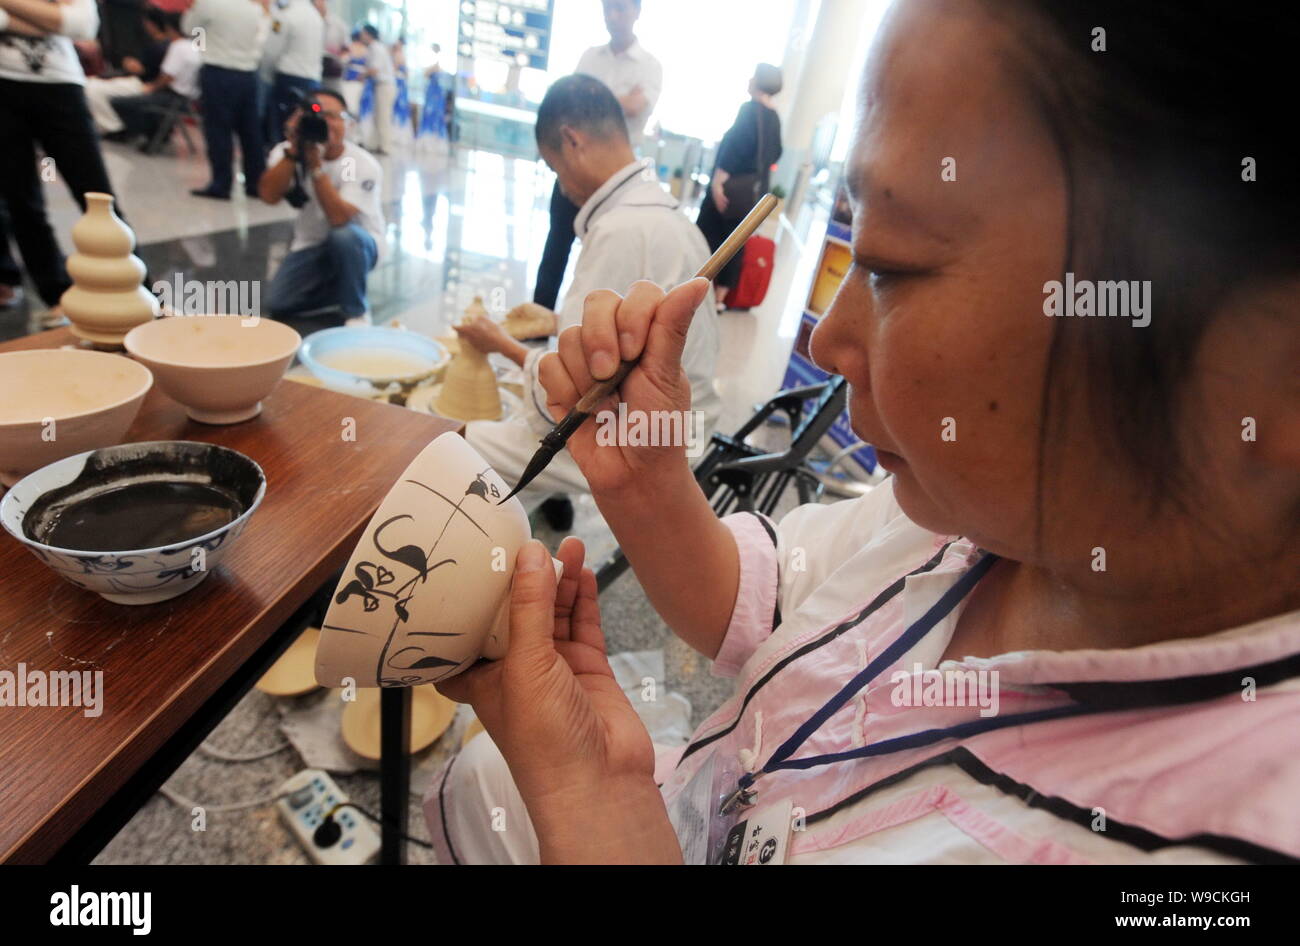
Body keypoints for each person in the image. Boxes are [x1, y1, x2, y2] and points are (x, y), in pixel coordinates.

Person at [424, 0, 1300, 865]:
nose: (827, 339)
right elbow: (759, 597)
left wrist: (596, 810)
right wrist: (647, 481)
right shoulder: (969, 516)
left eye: (892, 265)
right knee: (478, 783)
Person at [454, 74, 720, 521]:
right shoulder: (665, 215)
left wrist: (500, 344)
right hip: (686, 422)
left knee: (455, 441)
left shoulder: (621, 230)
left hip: (658, 433)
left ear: (571, 140)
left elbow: (567, 400)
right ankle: (511, 525)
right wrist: (555, 324)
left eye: (555, 168)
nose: (561, 186)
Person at [0, 0, 128, 325]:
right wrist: (51, 18)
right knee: (22, 201)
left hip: (62, 87)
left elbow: (81, 26)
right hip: (3, 87)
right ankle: (56, 294)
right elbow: (63, 22)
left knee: (98, 195)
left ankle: (136, 287)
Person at [532, 0, 662, 312]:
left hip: (614, 179)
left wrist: (593, 103)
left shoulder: (649, 65)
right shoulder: (590, 56)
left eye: (620, 8)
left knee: (603, 259)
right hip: (575, 165)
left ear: (636, 11)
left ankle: (585, 332)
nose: (612, 16)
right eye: (607, 9)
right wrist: (616, 101)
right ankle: (535, 327)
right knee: (555, 248)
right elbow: (570, 106)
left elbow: (635, 107)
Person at [258, 89, 384, 325]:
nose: (323, 122)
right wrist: (295, 151)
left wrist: (316, 164)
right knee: (278, 303)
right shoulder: (287, 152)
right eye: (315, 115)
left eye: (331, 116)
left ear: (348, 123)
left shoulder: (357, 163)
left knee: (343, 237)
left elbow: (339, 218)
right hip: (311, 244)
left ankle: (356, 310)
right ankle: (343, 285)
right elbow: (268, 196)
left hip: (359, 243)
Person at [696, 63, 783, 307]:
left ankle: (694, 289)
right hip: (753, 193)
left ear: (758, 82)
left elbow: (734, 148)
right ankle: (720, 299)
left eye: (753, 76)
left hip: (730, 188)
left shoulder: (749, 110)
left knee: (706, 236)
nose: (749, 80)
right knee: (735, 243)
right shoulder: (773, 117)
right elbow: (776, 154)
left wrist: (718, 182)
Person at [184, 0, 267, 200]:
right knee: (251, 132)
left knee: (218, 131)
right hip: (248, 74)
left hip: (218, 71)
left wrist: (204, 43)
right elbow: (261, 40)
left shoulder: (209, 4)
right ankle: (256, 183)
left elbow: (189, 29)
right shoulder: (254, 9)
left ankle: (221, 184)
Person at [109, 11, 200, 147]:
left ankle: (138, 133)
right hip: (187, 98)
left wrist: (152, 87)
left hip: (173, 96)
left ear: (170, 28)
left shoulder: (177, 47)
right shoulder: (194, 47)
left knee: (120, 102)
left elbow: (167, 76)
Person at [84, 5, 171, 134]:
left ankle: (112, 125)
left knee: (91, 88)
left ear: (152, 24)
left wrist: (139, 71)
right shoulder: (158, 44)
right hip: (136, 79)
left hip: (142, 83)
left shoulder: (163, 47)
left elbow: (161, 72)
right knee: (92, 84)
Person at [260, 0, 322, 148]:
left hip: (288, 80)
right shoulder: (316, 16)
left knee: (284, 131)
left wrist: (265, 77)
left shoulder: (283, 16)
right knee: (304, 132)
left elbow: (271, 51)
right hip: (312, 81)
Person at [358, 23, 394, 155]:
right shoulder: (374, 48)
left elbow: (374, 69)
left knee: (383, 116)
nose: (361, 36)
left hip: (384, 86)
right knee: (377, 116)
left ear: (368, 35)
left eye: (363, 34)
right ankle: (376, 144)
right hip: (379, 86)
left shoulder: (376, 48)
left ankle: (385, 146)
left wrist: (361, 75)